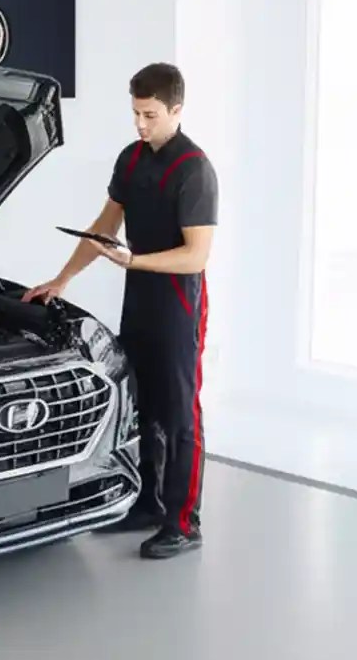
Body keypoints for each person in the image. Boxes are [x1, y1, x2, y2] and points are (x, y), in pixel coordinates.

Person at [22, 63, 217, 560]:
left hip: (178, 302)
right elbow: (104, 225)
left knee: (179, 413)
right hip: (141, 296)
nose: (140, 125)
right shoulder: (130, 160)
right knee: (141, 406)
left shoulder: (194, 169)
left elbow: (196, 255)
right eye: (135, 113)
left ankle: (184, 522)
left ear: (176, 109)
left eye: (151, 115)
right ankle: (148, 505)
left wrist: (135, 260)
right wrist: (63, 278)